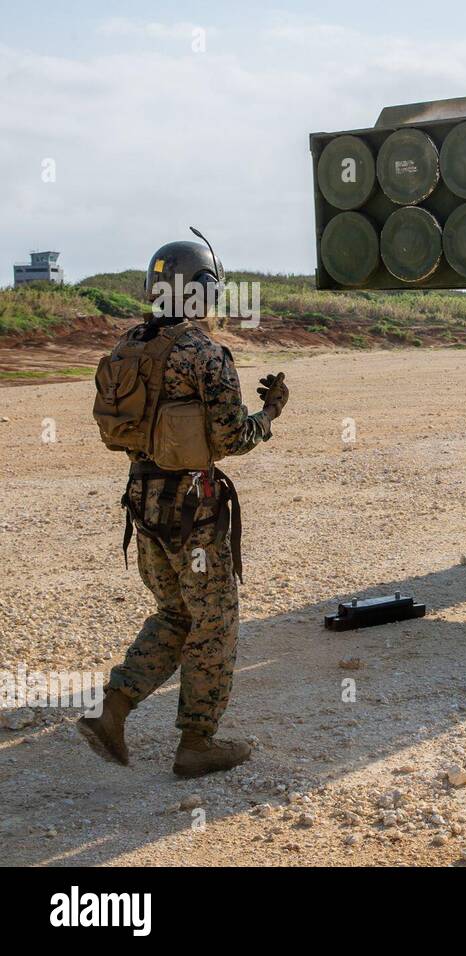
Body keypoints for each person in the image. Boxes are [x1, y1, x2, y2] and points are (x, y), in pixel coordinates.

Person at [80, 233, 288, 778]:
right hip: (193, 513)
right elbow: (231, 438)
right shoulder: (203, 353)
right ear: (199, 291)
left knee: (175, 613)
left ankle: (113, 710)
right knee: (214, 622)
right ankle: (197, 741)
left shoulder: (126, 347)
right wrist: (269, 415)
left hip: (143, 506)